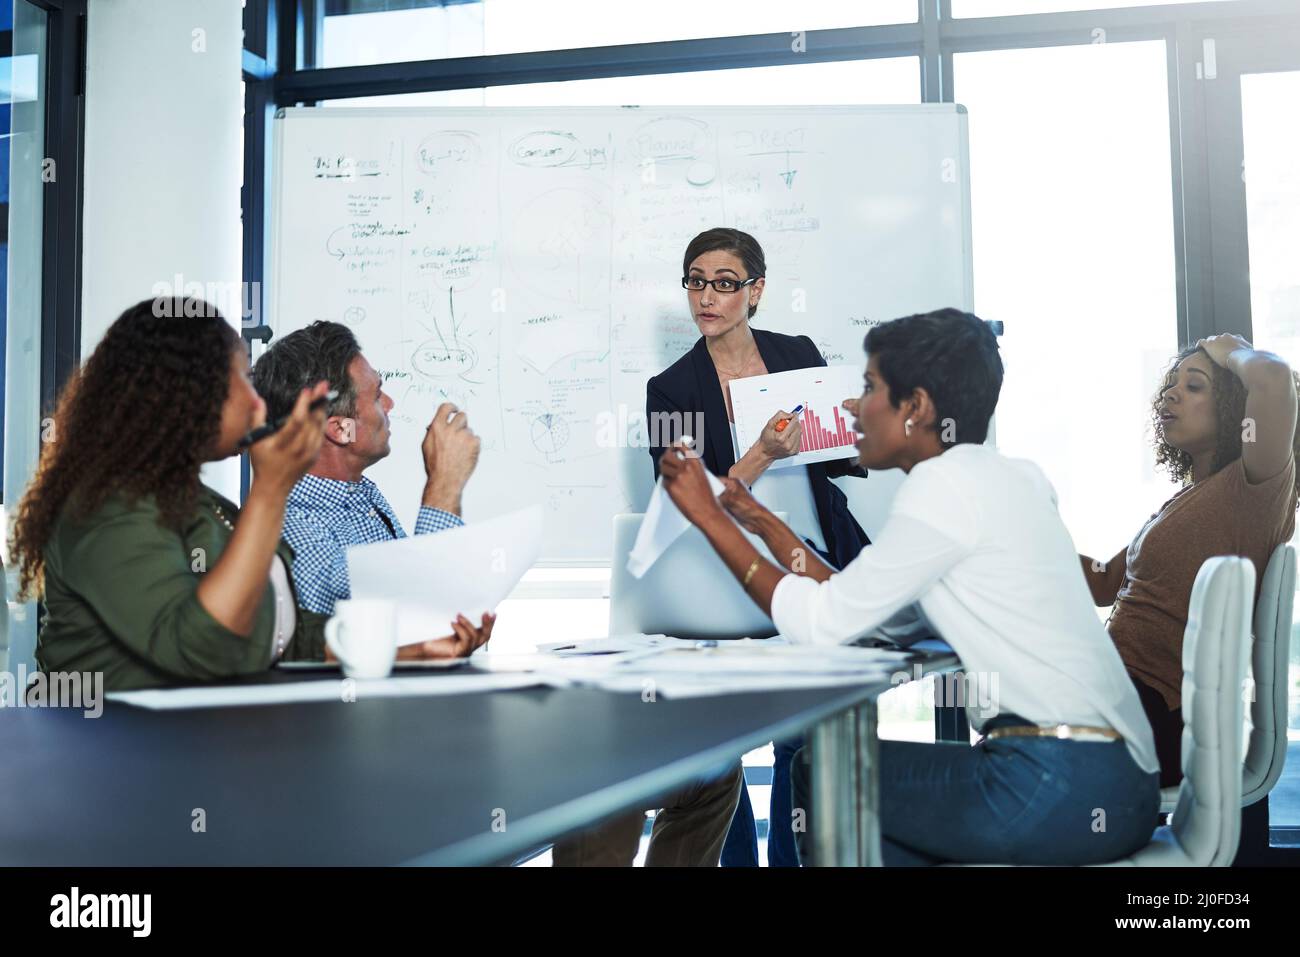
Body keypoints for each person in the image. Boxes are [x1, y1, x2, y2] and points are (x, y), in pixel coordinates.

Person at [659, 308, 1160, 866]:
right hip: (1124, 785)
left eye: (870, 388)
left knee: (821, 774)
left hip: (1056, 784)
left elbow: (824, 624)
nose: (851, 407)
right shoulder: (1009, 476)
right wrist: (757, 519)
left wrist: (709, 518)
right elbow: (860, 608)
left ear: (915, 408)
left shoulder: (940, 489)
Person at [8, 298, 482, 694]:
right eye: (240, 381)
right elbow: (202, 646)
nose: (257, 403)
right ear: (188, 393)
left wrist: (409, 651)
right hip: (121, 772)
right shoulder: (104, 507)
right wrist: (272, 487)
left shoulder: (201, 506)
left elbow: (279, 638)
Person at [645, 227, 871, 866]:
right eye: (695, 281)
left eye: (724, 283)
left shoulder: (795, 352)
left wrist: (850, 437)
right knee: (724, 745)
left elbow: (838, 455)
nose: (706, 297)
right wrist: (762, 454)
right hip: (722, 571)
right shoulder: (672, 388)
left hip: (812, 554)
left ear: (756, 290)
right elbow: (684, 497)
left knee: (804, 737)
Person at [1080, 335, 1299, 787]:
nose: (1170, 393)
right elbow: (1104, 585)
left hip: (1150, 713)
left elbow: (1275, 381)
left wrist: (1233, 350)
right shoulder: (1187, 503)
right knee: (986, 687)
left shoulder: (1254, 491)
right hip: (1118, 693)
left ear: (1235, 406)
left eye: (1195, 385)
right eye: (1171, 385)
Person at [251, 321, 493, 654]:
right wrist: (444, 482)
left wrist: (455, 631)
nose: (390, 404)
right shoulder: (296, 531)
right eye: (378, 395)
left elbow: (421, 608)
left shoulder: (359, 496)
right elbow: (409, 622)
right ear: (339, 429)